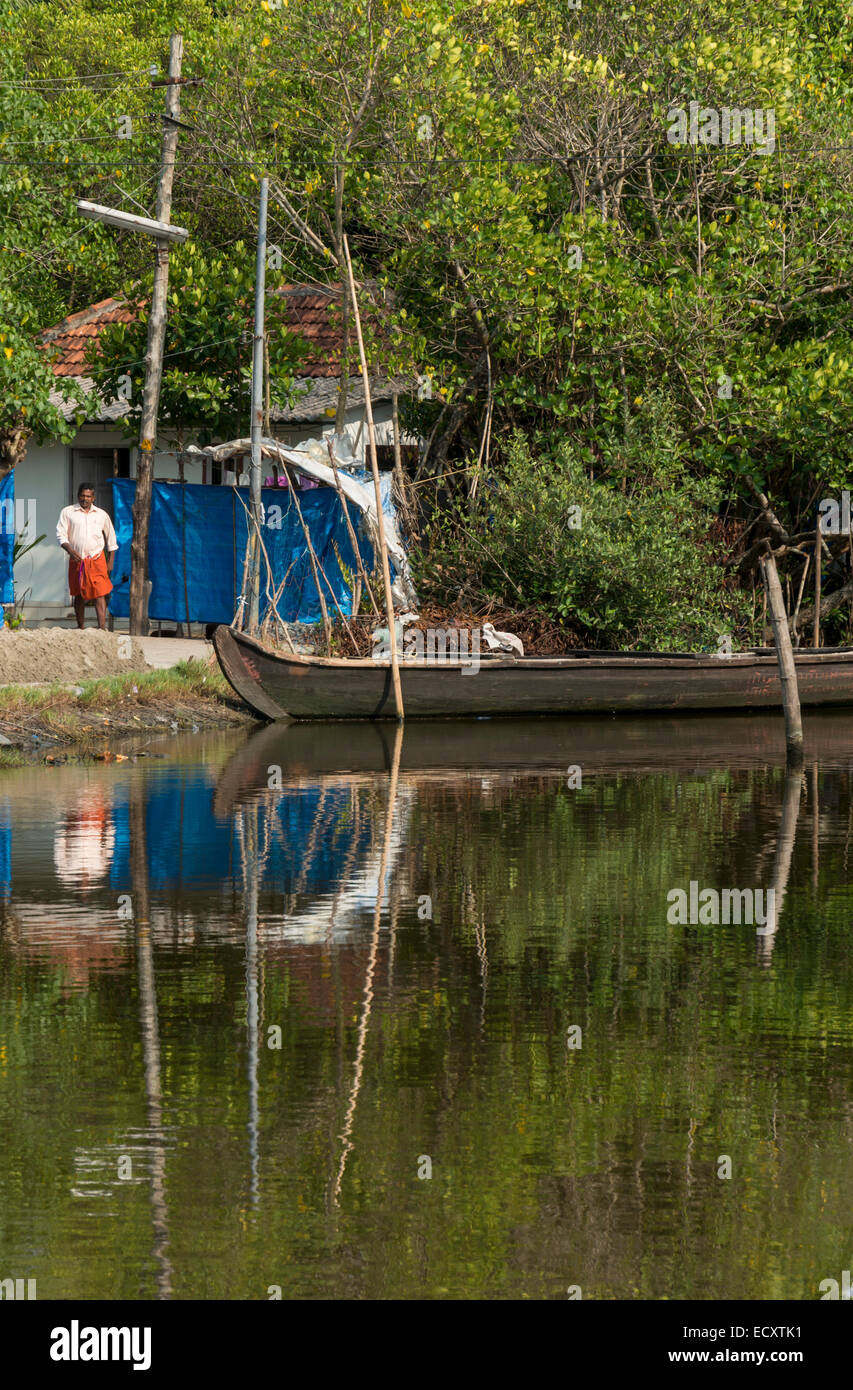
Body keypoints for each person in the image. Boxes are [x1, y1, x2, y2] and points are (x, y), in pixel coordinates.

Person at [56, 483, 119, 630]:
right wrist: (70, 551)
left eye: (88, 496)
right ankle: (81, 627)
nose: (85, 498)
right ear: (78, 496)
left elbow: (111, 538)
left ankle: (102, 628)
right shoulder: (68, 512)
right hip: (77, 559)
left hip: (97, 559)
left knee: (100, 593)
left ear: (93, 498)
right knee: (78, 593)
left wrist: (110, 561)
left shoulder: (102, 514)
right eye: (83, 495)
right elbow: (61, 535)